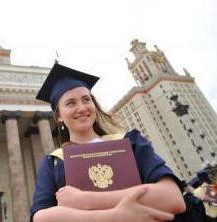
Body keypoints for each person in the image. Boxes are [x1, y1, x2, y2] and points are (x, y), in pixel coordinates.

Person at [30, 63, 186, 222]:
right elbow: (41, 217)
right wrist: (116, 216)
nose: (82, 107)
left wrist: (85, 200)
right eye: (70, 103)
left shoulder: (129, 141)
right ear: (59, 116)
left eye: (86, 100)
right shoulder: (54, 162)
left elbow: (173, 197)